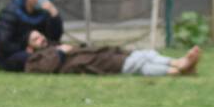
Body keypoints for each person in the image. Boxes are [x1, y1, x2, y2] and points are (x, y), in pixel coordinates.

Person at [25, 32, 201, 76]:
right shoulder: (34, 60)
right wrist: (61, 53)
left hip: (100, 56)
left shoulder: (52, 46)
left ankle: (178, 67)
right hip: (94, 63)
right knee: (139, 61)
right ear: (29, 48)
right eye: (35, 39)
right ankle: (179, 65)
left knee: (142, 59)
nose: (40, 38)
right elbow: (47, 67)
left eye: (39, 35)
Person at [0, 0, 65, 72]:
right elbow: (3, 43)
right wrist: (25, 48)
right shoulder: (11, 13)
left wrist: (54, 14)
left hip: (37, 50)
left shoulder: (42, 12)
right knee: (36, 58)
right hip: (11, 56)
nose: (45, 0)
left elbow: (54, 37)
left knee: (62, 50)